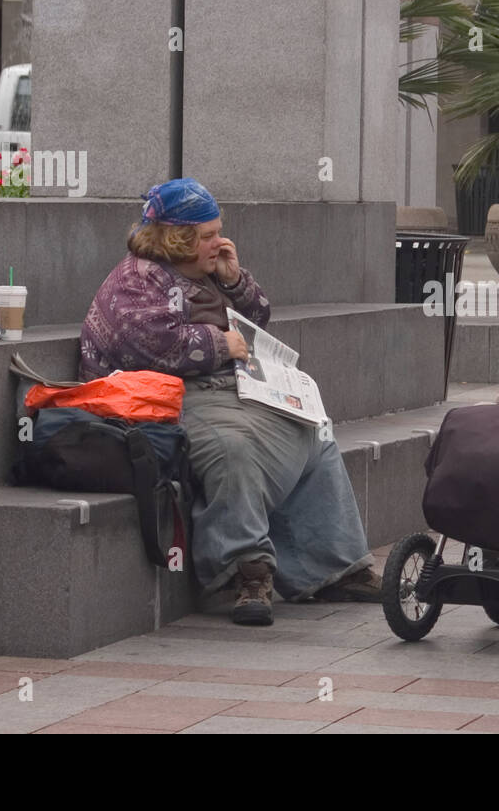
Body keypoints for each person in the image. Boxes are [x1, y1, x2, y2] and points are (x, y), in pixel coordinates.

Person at [80, 178, 381, 627]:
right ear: (175, 239)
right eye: (207, 236)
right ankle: (248, 571)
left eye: (218, 231)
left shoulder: (203, 271)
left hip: (222, 388)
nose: (218, 242)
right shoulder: (137, 279)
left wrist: (236, 281)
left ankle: (334, 567)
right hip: (163, 399)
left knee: (314, 432)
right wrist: (220, 345)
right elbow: (147, 344)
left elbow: (256, 319)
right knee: (231, 449)